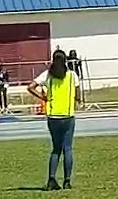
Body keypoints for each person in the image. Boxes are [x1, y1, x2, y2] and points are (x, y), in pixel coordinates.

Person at [27, 49, 81, 191]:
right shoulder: (72, 75)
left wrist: (42, 97)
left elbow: (30, 87)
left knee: (56, 148)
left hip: (53, 116)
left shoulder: (48, 75)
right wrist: (77, 100)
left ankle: (51, 179)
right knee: (67, 148)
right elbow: (77, 93)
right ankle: (67, 181)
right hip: (67, 115)